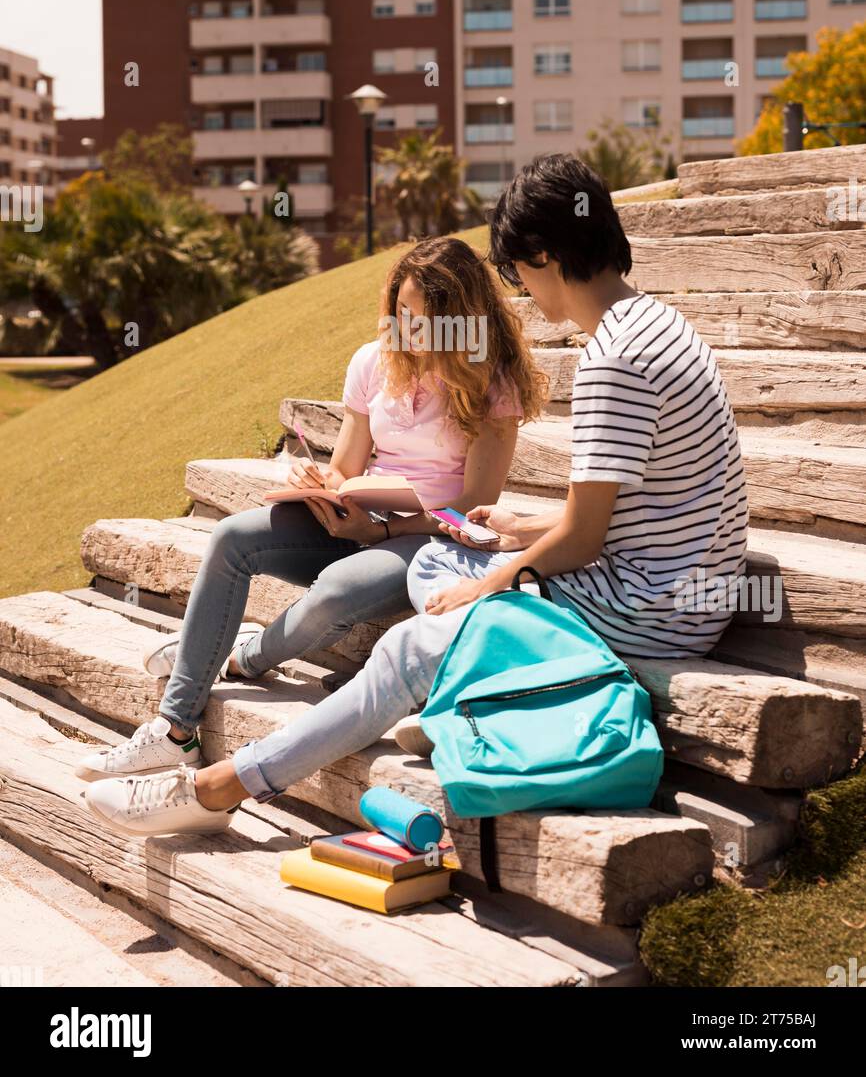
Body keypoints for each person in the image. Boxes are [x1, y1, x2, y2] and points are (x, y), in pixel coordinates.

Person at [78, 235, 545, 831]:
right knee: (231, 540)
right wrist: (322, 480)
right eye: (401, 315)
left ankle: (243, 655)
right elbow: (349, 466)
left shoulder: (491, 381)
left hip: (431, 539)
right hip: (360, 515)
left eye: (424, 321)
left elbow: (475, 504)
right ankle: (175, 731)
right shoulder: (373, 362)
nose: (408, 331)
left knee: (336, 591)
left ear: (462, 321)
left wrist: (385, 530)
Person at [406, 153, 749, 677]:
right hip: (694, 599)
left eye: (515, 269)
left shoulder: (612, 357)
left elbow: (585, 539)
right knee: (442, 564)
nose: (519, 286)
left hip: (649, 615)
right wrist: (518, 528)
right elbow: (609, 517)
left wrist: (485, 587)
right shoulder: (659, 321)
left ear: (542, 255)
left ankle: (490, 695)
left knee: (438, 571)